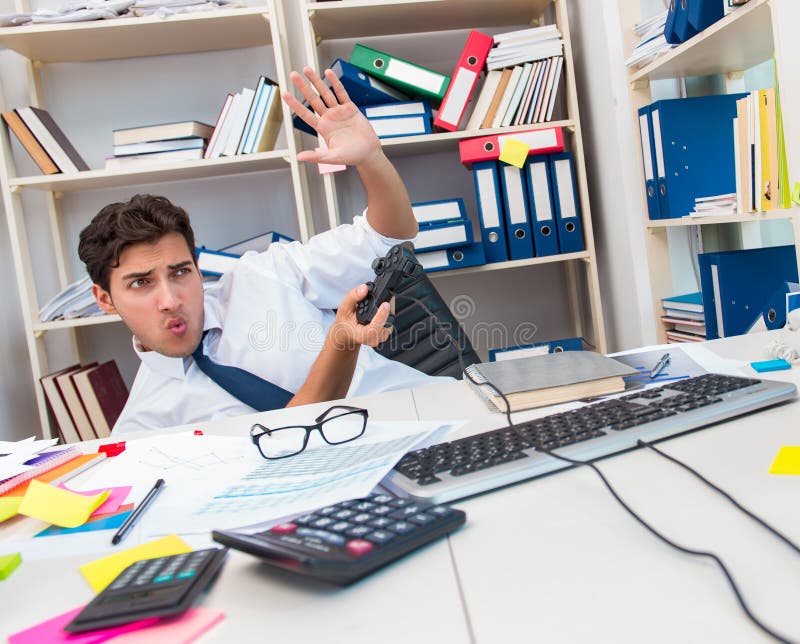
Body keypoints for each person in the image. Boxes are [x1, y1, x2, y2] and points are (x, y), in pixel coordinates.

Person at [78, 67, 451, 434]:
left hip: (434, 415)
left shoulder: (261, 276)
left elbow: (390, 233)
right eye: (141, 283)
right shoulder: (145, 426)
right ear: (105, 299)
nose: (170, 299)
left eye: (180, 272)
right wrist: (339, 343)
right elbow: (289, 446)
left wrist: (370, 158)